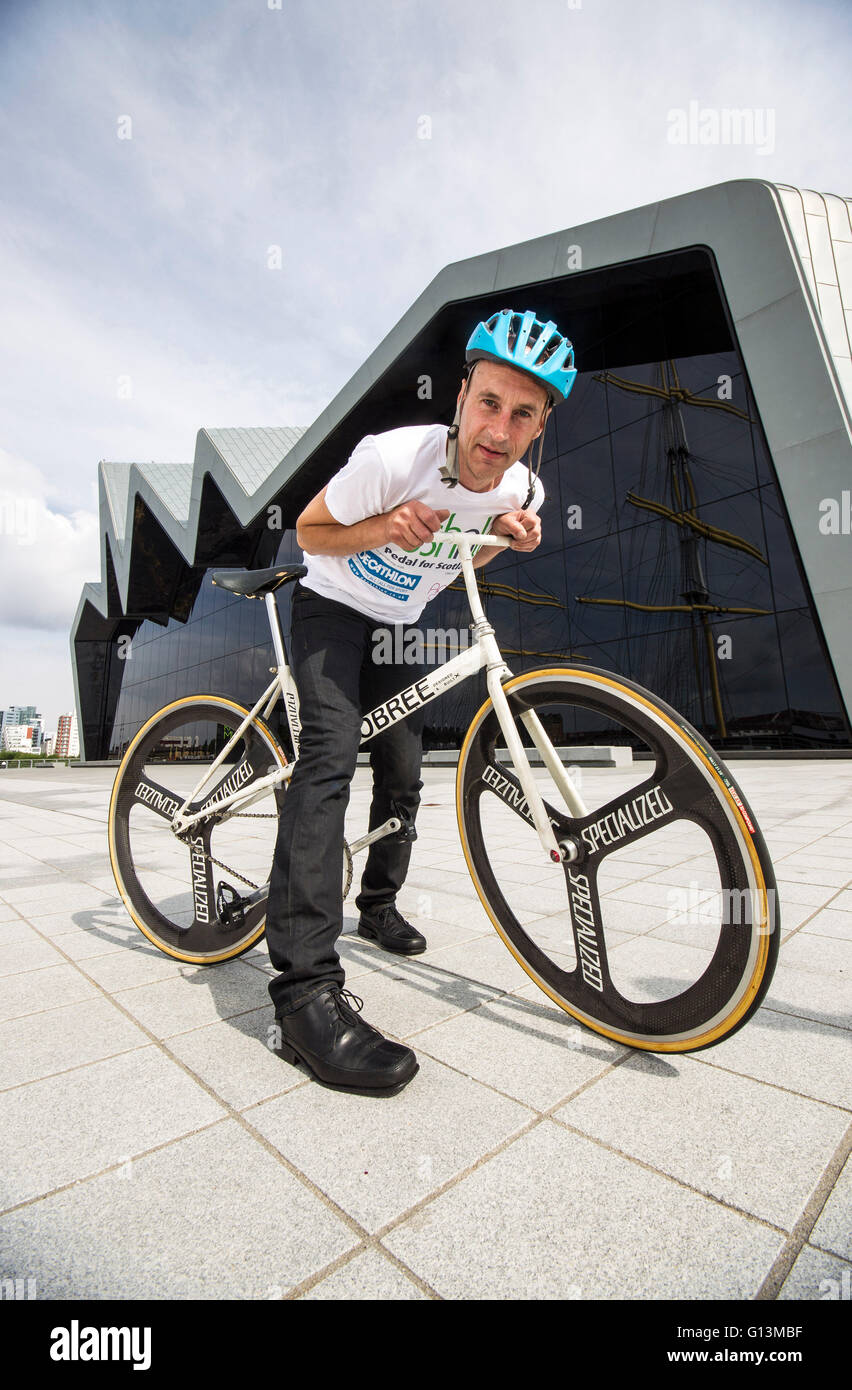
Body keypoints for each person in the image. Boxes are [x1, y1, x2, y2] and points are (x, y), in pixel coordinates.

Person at [266, 308, 577, 1093]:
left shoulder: (523, 485)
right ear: (463, 393)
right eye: (489, 402)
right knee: (330, 758)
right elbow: (308, 532)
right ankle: (303, 996)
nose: (498, 430)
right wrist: (382, 526)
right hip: (332, 605)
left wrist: (512, 532)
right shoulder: (393, 457)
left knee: (404, 770)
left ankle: (376, 904)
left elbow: (483, 539)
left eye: (523, 414)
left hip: (398, 624)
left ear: (539, 427)